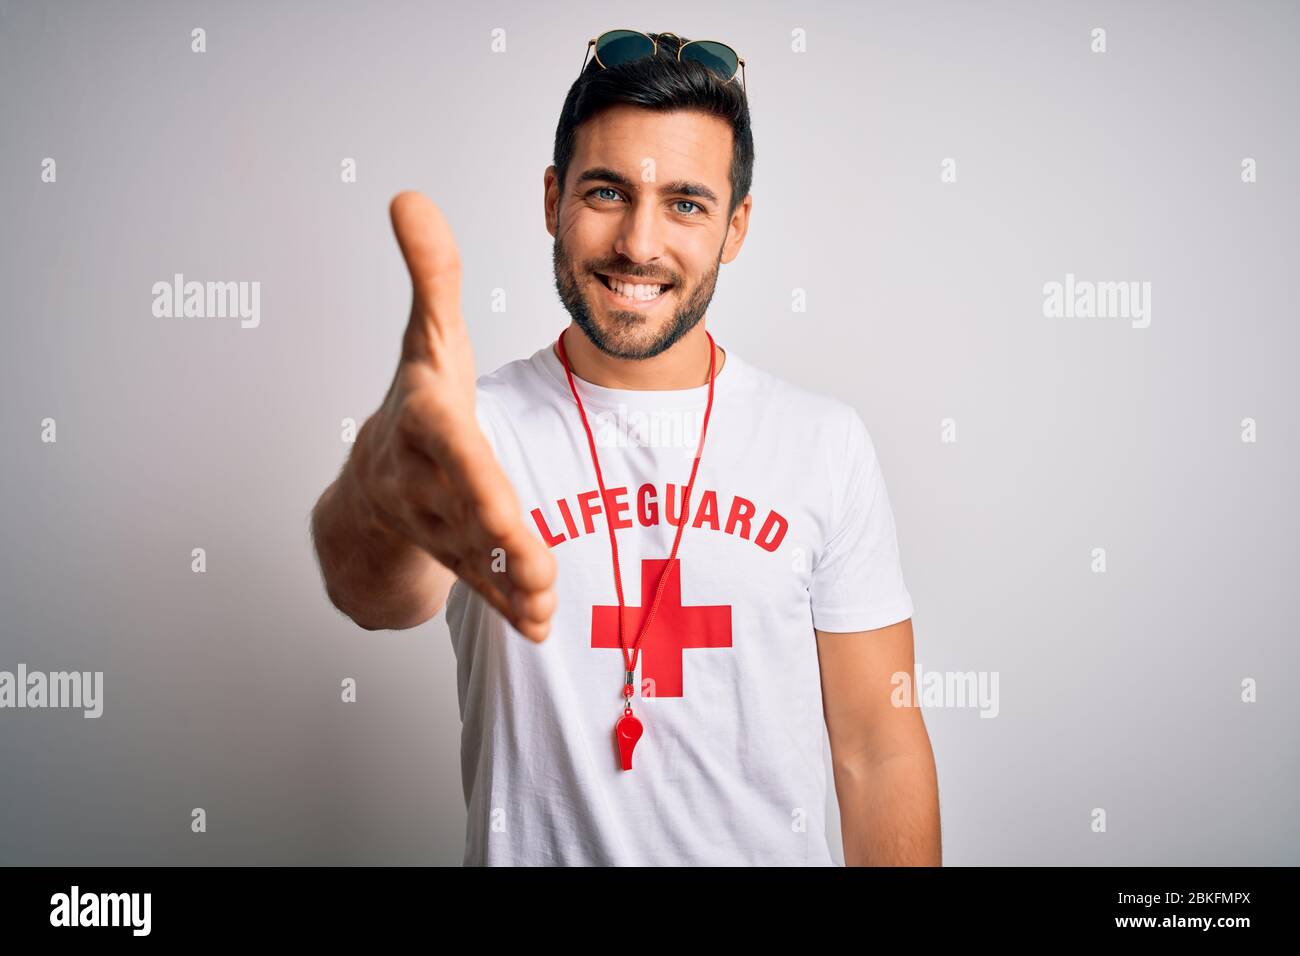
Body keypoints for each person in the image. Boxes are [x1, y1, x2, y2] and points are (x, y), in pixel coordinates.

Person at [310, 30, 940, 866]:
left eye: (686, 203)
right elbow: (371, 594)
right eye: (606, 192)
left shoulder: (824, 444)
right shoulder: (471, 429)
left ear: (736, 227)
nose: (640, 244)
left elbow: (878, 749)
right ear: (551, 200)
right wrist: (377, 487)